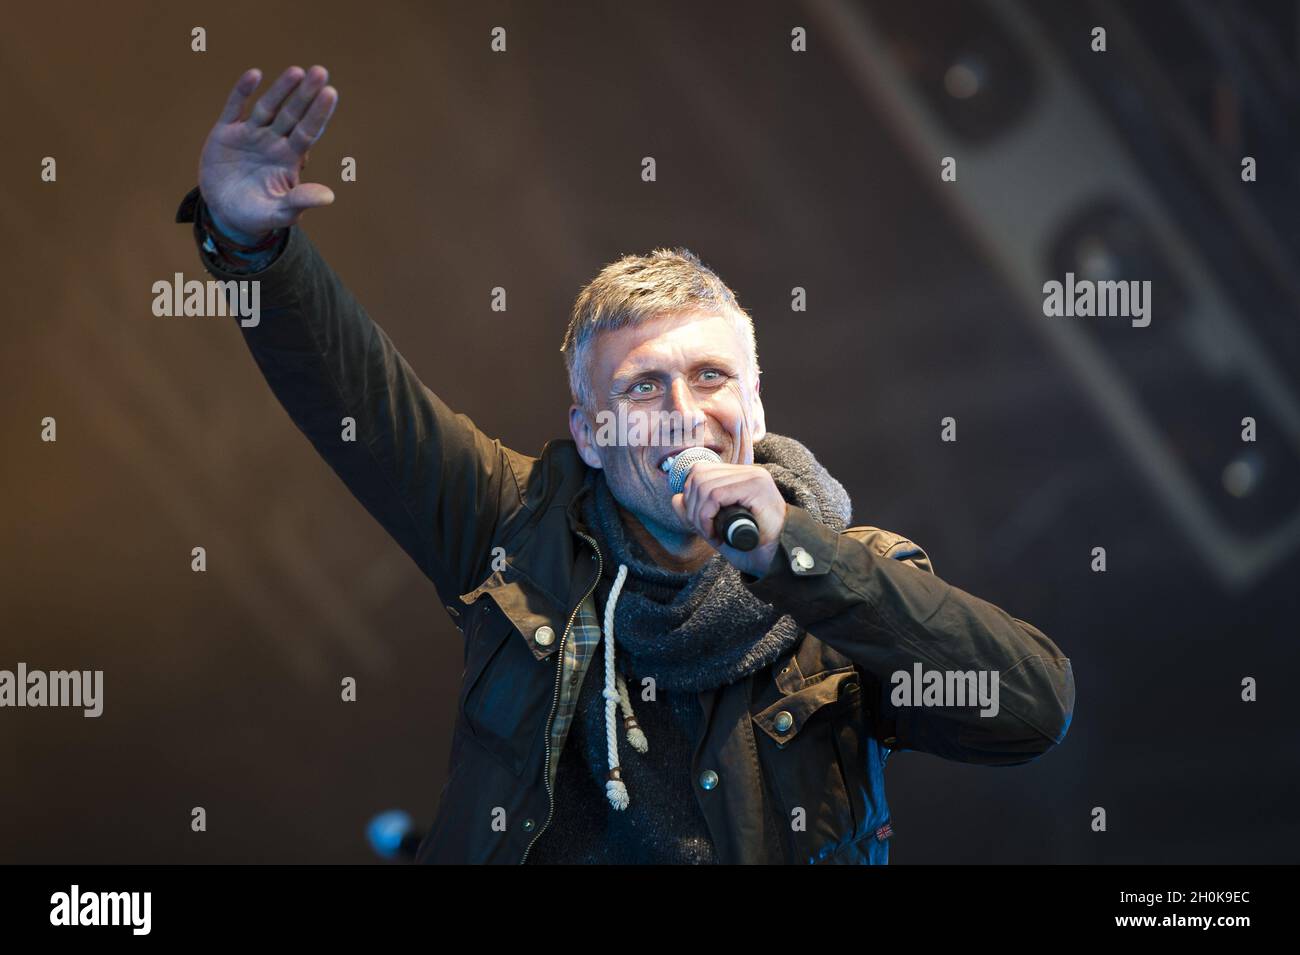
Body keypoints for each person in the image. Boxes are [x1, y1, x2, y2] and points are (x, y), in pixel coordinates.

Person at [176, 64, 1076, 864]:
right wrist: (250, 246)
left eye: (711, 376)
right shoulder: (514, 527)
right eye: (644, 387)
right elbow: (363, 406)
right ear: (593, 430)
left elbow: (1031, 709)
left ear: (755, 407)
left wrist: (795, 556)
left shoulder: (849, 579)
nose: (684, 412)